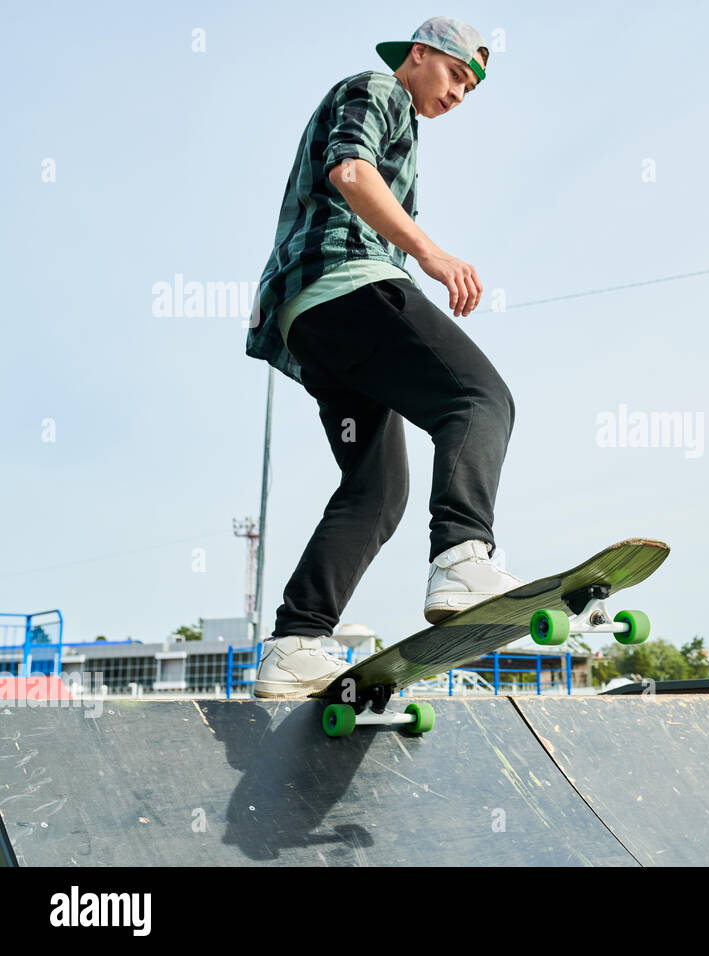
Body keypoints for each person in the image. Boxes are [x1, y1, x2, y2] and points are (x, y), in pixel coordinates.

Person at [244, 16, 521, 698]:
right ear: (419, 56)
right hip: (346, 285)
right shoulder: (379, 88)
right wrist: (429, 252)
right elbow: (350, 169)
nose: (458, 94)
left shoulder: (411, 121)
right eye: (455, 74)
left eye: (470, 88)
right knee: (479, 399)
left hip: (314, 323)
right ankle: (461, 554)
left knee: (377, 489)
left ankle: (298, 641)